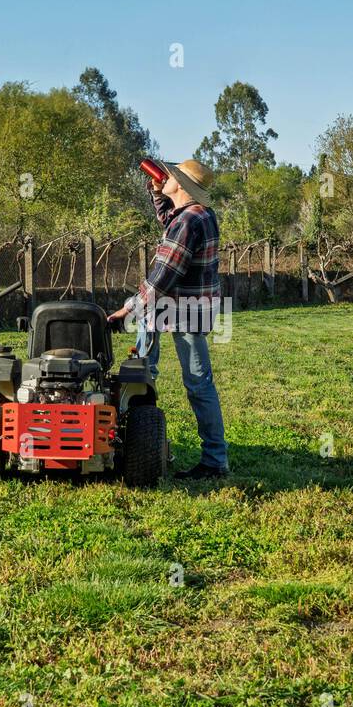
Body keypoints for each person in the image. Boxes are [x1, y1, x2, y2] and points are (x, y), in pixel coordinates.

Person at [107, 159, 229, 479]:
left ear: (183, 187)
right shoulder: (199, 215)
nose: (167, 177)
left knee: (189, 383)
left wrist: (129, 309)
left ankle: (214, 461)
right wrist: (159, 195)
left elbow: (163, 276)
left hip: (178, 309)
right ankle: (137, 442)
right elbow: (169, 222)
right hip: (181, 308)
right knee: (149, 375)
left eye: (172, 177)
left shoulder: (188, 221)